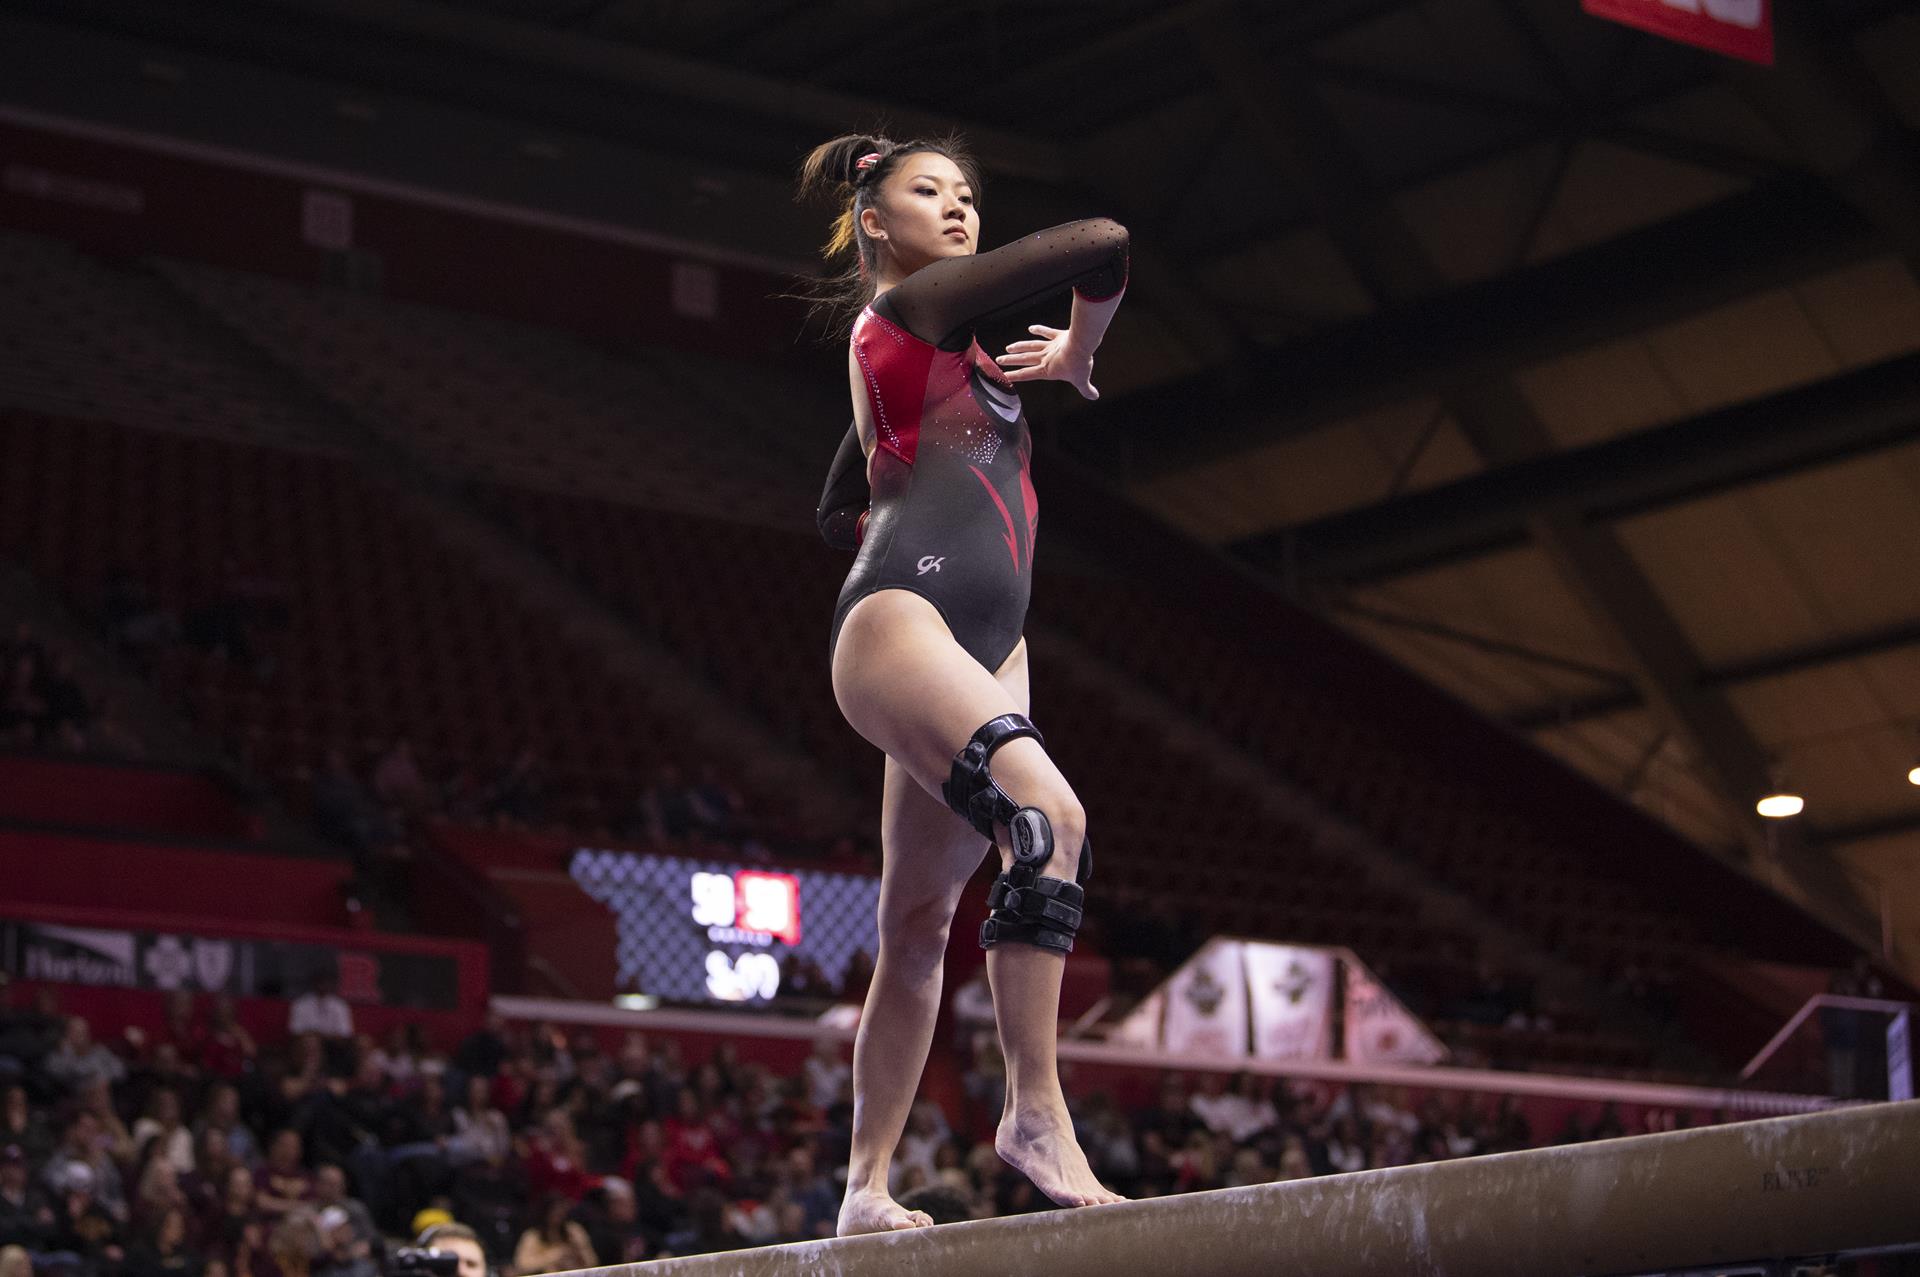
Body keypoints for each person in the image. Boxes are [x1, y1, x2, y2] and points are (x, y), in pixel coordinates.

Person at [794, 132, 1129, 1235]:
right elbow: (1102, 243)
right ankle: (1035, 1109)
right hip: (906, 622)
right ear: (876, 223)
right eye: (929, 192)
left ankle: (862, 1190)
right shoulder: (911, 309)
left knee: (920, 919)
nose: (959, 208)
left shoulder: (949, 358)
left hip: (985, 641)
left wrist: (898, 465)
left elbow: (837, 499)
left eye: (970, 195)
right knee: (1048, 816)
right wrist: (1082, 346)